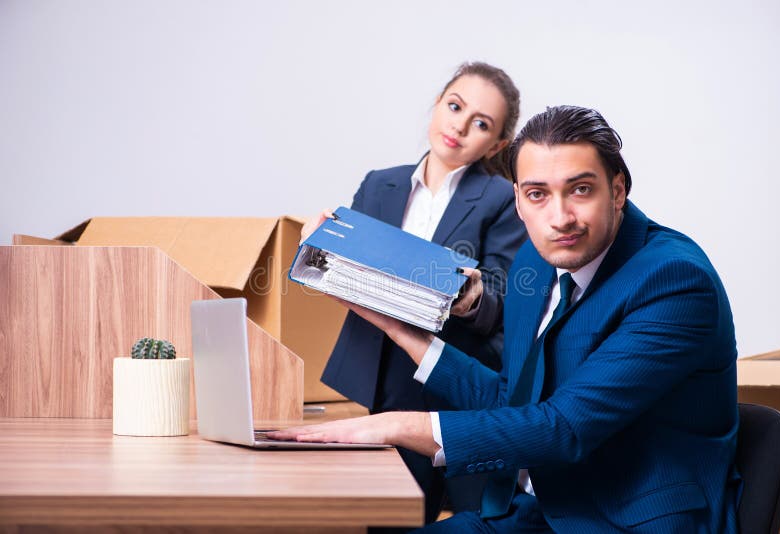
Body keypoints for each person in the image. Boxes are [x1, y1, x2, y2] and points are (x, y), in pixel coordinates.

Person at [274, 105, 741, 532]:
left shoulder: (674, 280)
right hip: (537, 513)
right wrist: (396, 326)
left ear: (617, 190)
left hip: (624, 521)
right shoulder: (536, 266)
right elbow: (513, 398)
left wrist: (393, 425)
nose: (560, 217)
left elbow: (564, 428)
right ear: (518, 200)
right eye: (538, 194)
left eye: (581, 190)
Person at [303, 62, 528, 523]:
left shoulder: (501, 197)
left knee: (471, 514)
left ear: (498, 144)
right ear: (437, 105)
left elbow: (503, 300)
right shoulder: (379, 182)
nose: (460, 126)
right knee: (378, 514)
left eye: (481, 123)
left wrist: (466, 293)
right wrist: (323, 245)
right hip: (373, 376)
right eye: (455, 106)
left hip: (448, 384)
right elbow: (344, 271)